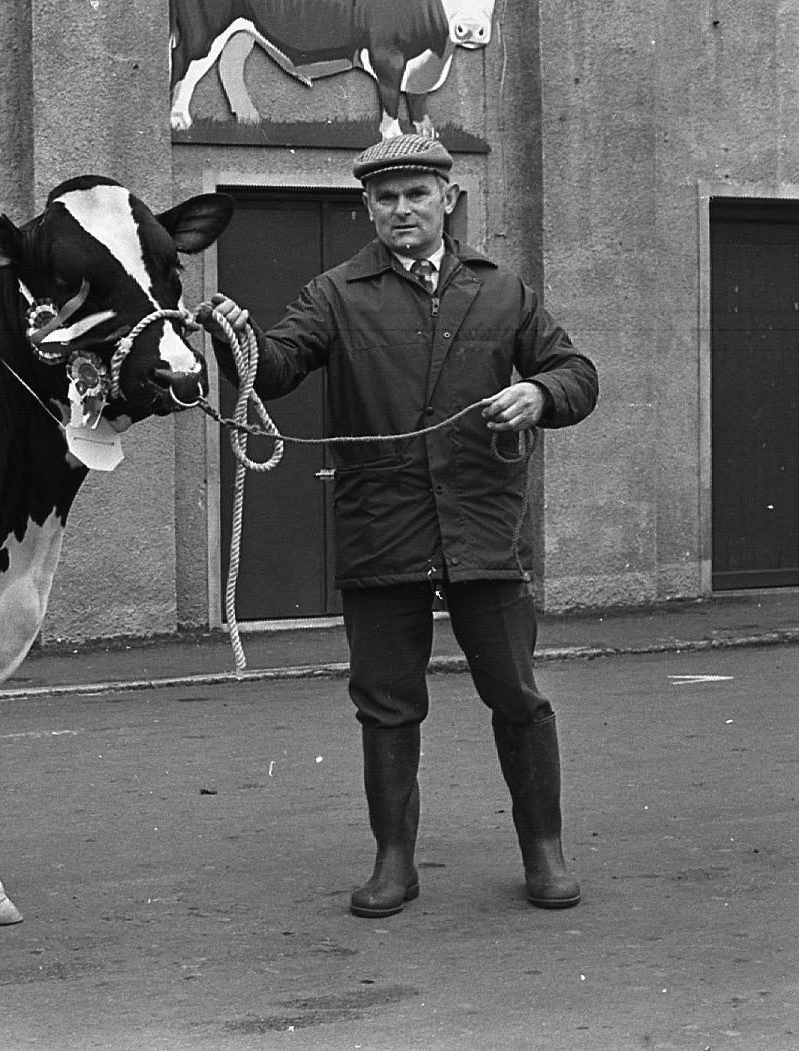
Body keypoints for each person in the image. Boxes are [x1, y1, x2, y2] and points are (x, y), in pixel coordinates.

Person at [202, 134, 598, 917]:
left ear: (447, 199)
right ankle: (393, 863)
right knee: (386, 703)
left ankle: (543, 854)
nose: (400, 210)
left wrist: (542, 394)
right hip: (381, 531)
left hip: (483, 530)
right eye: (384, 199)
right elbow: (276, 367)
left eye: (415, 194)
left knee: (517, 696)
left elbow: (577, 372)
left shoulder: (500, 290)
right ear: (367, 209)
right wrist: (234, 339)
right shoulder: (334, 293)